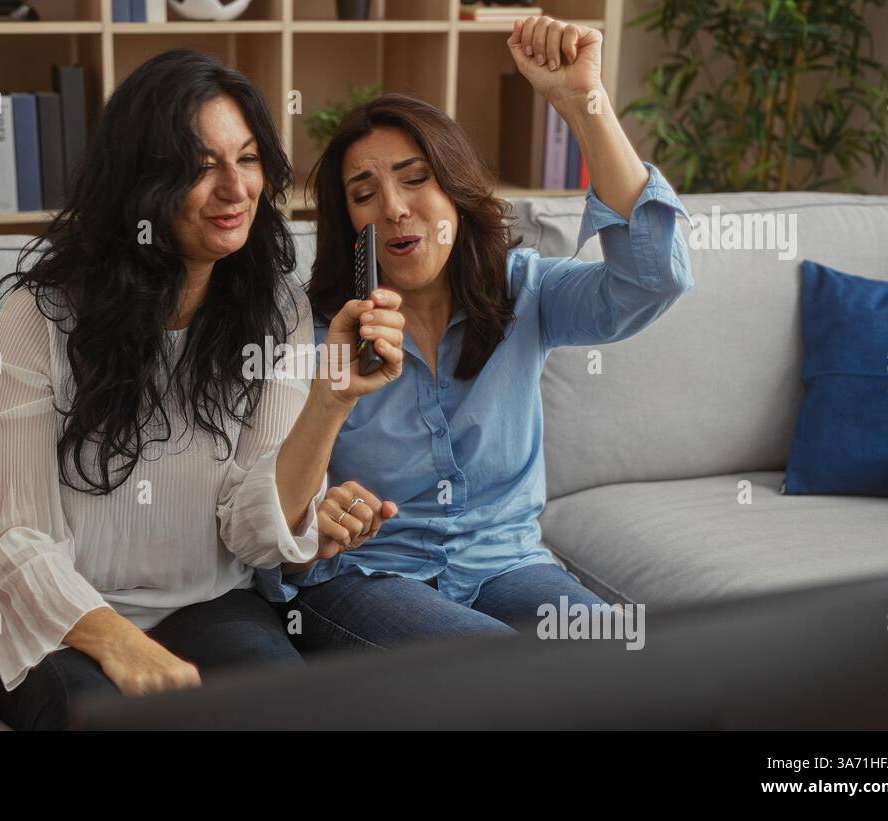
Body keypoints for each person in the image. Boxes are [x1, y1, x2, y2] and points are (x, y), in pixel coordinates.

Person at [0, 49, 405, 729]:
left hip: (207, 602)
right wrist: (122, 644)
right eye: (198, 165)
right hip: (53, 611)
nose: (235, 188)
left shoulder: (273, 308)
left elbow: (253, 534)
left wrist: (331, 398)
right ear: (141, 182)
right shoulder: (39, 316)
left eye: (247, 159)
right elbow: (15, 539)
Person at [258, 16, 692, 652]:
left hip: (507, 564)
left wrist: (584, 103)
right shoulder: (309, 332)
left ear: (456, 189)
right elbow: (270, 515)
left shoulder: (524, 291)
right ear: (348, 222)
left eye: (415, 178)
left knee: (631, 652)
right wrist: (315, 516)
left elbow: (655, 279)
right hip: (364, 576)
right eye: (364, 193)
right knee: (499, 669)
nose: (396, 208)